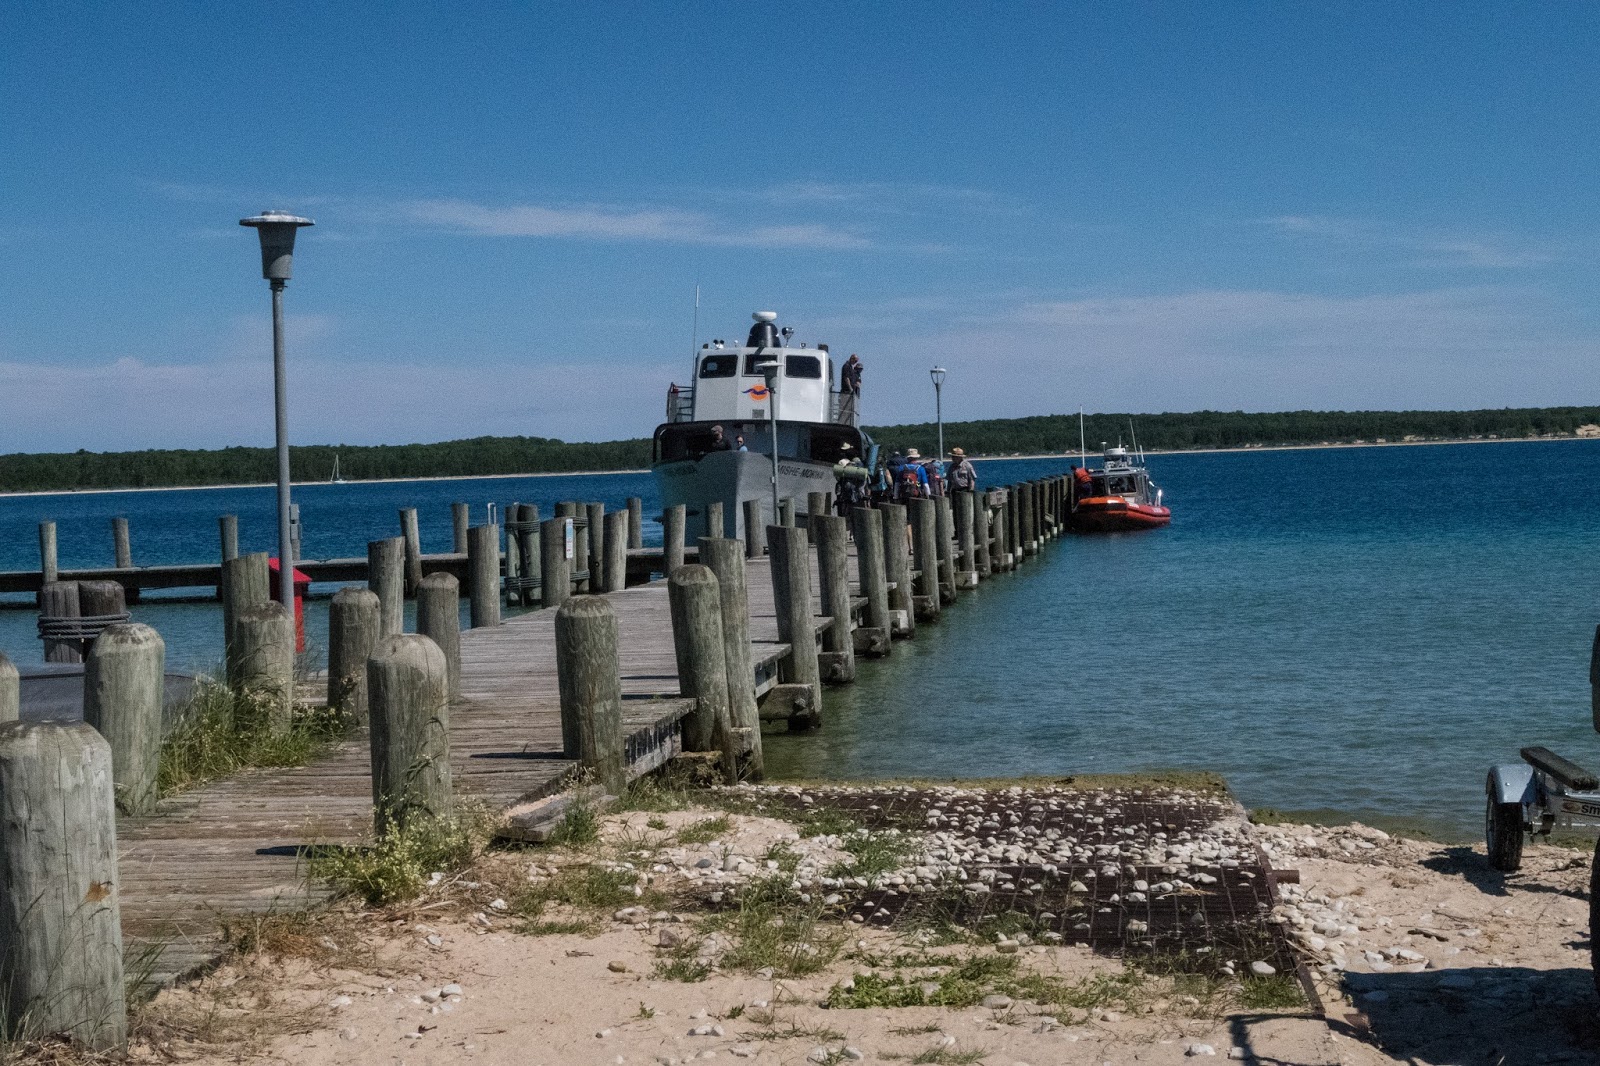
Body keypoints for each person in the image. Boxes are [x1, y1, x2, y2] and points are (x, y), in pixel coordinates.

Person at [838, 353, 863, 424]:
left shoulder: (850, 367)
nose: (855, 363)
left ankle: (846, 422)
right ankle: (842, 422)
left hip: (849, 392)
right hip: (846, 391)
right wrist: (850, 388)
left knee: (849, 409)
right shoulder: (846, 366)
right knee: (844, 410)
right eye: (855, 361)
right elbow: (846, 378)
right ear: (852, 359)